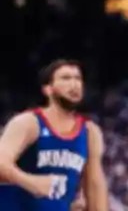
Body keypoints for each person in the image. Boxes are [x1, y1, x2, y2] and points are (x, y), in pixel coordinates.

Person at [0, 60, 107, 211]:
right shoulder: (29, 122)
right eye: (66, 78)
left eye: (78, 78)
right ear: (48, 89)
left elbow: (95, 186)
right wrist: (31, 182)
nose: (74, 84)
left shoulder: (90, 132)